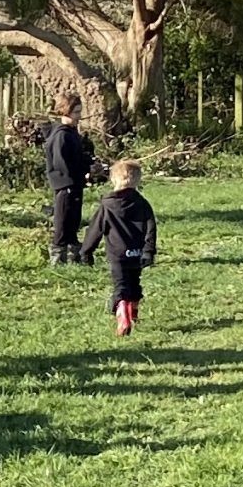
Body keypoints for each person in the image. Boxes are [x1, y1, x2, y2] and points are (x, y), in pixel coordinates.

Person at [77, 157, 159, 336]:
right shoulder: (142, 204)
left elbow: (95, 230)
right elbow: (151, 228)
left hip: (117, 254)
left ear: (114, 180)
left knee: (120, 286)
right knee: (134, 283)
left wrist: (86, 251)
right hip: (137, 252)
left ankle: (123, 314)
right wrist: (149, 251)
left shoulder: (107, 206)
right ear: (137, 180)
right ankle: (133, 311)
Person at [43, 92, 95, 264]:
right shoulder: (61, 135)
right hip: (65, 184)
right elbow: (63, 163)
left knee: (73, 220)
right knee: (63, 222)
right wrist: (84, 171)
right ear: (65, 111)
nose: (79, 117)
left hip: (74, 183)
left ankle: (74, 254)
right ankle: (57, 257)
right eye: (76, 113)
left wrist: (90, 164)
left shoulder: (71, 132)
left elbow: (78, 157)